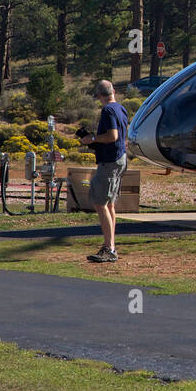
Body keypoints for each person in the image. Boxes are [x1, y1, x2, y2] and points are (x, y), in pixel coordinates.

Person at [79, 80, 129, 262]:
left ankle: (109, 248)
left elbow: (112, 136)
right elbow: (122, 136)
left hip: (109, 162)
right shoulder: (121, 109)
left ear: (99, 95)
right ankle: (111, 246)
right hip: (120, 158)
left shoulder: (107, 110)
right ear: (113, 91)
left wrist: (92, 139)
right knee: (109, 204)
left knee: (100, 203)